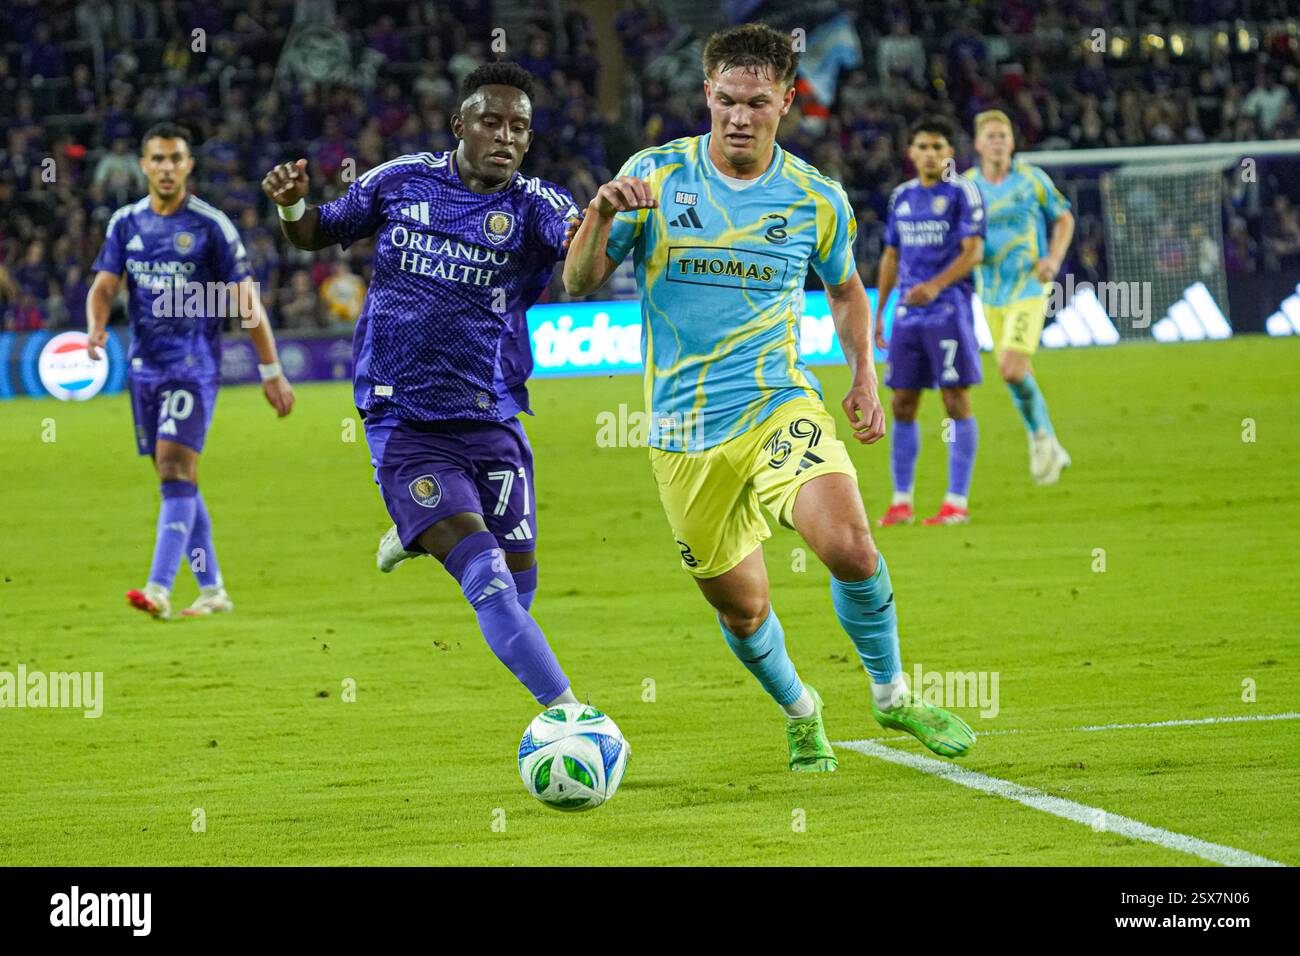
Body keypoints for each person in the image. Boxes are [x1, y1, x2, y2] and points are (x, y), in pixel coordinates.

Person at [563, 24, 975, 769]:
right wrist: (600, 213)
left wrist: (862, 375)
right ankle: (801, 711)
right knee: (743, 606)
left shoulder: (816, 198)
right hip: (682, 435)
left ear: (787, 100)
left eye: (757, 101)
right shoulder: (653, 176)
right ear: (706, 96)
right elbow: (577, 282)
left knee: (849, 546)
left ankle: (892, 697)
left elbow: (846, 290)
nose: (739, 117)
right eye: (726, 100)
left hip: (776, 404)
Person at [262, 63, 583, 708]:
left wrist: (604, 221)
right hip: (402, 421)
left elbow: (579, 261)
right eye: (491, 122)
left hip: (491, 418)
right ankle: (571, 715)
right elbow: (313, 232)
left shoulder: (536, 206)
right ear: (458, 124)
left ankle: (413, 530)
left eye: (519, 127)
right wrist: (291, 201)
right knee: (488, 583)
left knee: (521, 597)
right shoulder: (401, 181)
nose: (505, 137)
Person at [87, 122, 295, 620]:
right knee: (175, 478)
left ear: (188, 165)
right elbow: (103, 285)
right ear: (143, 164)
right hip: (144, 369)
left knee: (176, 470)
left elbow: (247, 303)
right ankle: (213, 589)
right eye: (156, 159)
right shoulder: (125, 223)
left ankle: (158, 588)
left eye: (174, 158)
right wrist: (95, 327)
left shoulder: (210, 226)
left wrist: (271, 370)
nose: (165, 167)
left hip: (192, 367)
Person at [875, 117, 986, 526]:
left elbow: (973, 251)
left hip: (949, 311)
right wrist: (879, 313)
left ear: (950, 153)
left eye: (938, 146)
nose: (930, 154)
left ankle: (956, 501)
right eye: (923, 146)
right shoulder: (901, 197)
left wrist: (936, 287)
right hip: (907, 315)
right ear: (911, 152)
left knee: (955, 400)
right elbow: (890, 256)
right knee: (902, 402)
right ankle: (901, 501)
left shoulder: (962, 193)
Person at [965, 109, 1074, 484]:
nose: (998, 141)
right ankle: (1044, 440)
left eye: (1004, 135)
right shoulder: (966, 187)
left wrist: (1054, 258)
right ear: (978, 144)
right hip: (990, 293)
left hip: (1028, 286)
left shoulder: (1032, 181)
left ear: (1012, 142)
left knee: (1011, 368)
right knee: (1015, 376)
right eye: (991, 135)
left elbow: (1064, 217)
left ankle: (1040, 437)